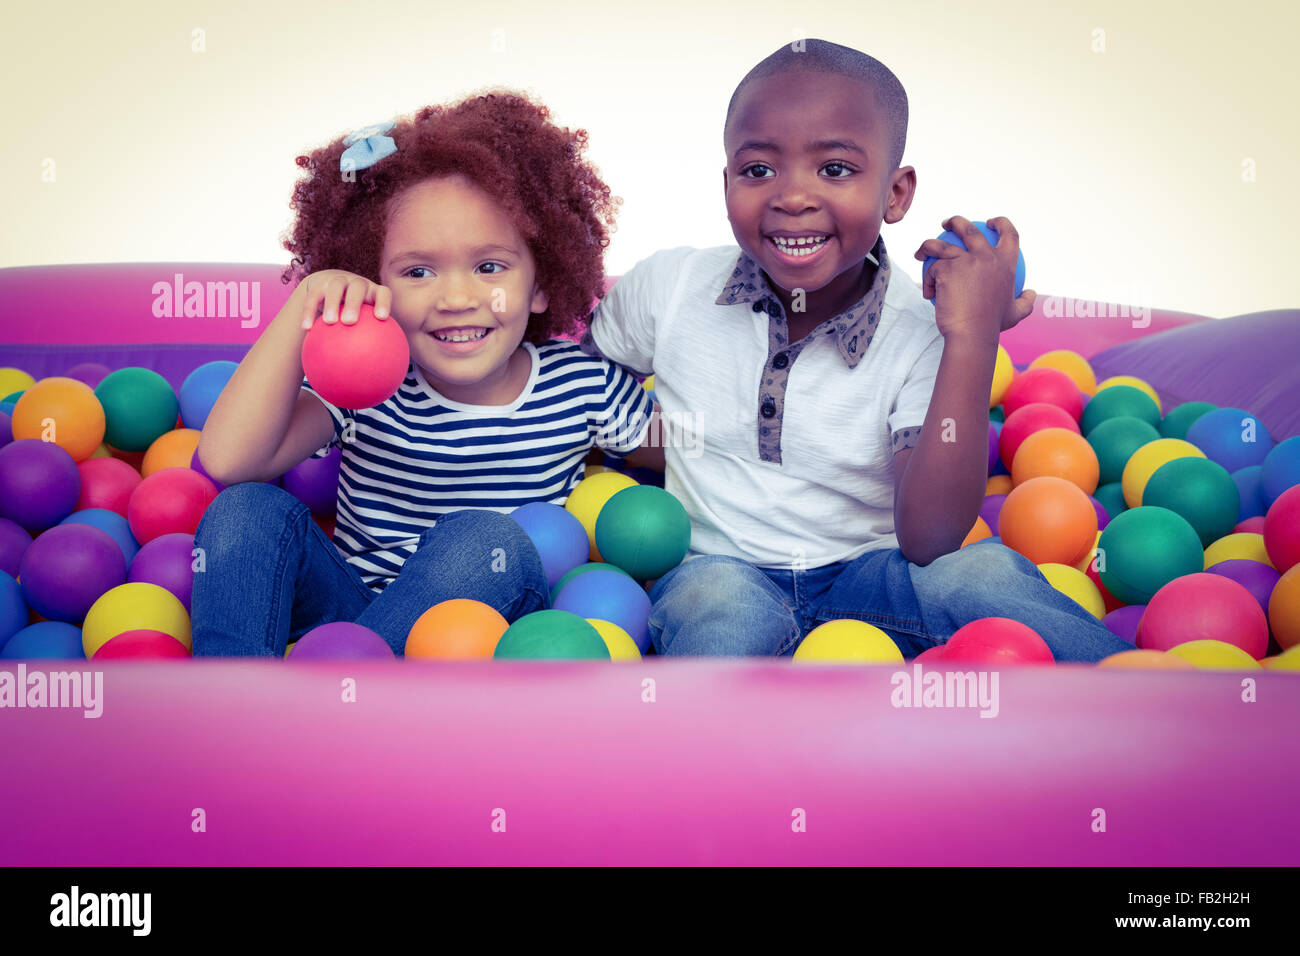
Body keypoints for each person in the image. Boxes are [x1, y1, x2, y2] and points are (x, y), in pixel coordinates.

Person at [582, 39, 1133, 662]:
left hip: (872, 576)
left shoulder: (925, 327)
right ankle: (710, 753)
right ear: (726, 180)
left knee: (985, 577)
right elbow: (579, 387)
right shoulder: (670, 287)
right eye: (758, 169)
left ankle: (1149, 708)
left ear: (895, 194)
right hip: (718, 565)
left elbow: (930, 538)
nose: (792, 196)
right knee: (718, 608)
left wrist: (973, 340)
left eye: (835, 169)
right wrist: (664, 446)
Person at [193, 92, 655, 656]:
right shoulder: (365, 387)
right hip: (351, 616)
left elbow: (688, 449)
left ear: (540, 285)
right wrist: (304, 308)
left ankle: (347, 690)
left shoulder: (581, 385)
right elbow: (228, 462)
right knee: (248, 508)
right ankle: (230, 706)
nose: (457, 297)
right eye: (418, 271)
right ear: (371, 283)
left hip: (489, 632)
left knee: (484, 536)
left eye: (489, 267)